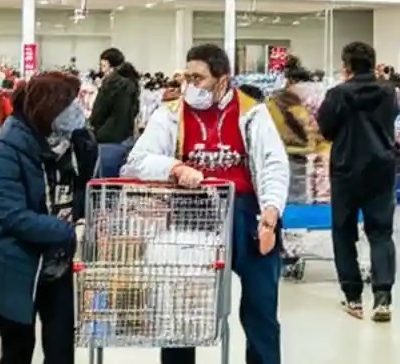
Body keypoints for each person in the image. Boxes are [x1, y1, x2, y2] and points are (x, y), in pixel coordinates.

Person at [123, 43, 289, 364]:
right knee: (181, 310)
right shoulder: (171, 114)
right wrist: (174, 168)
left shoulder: (251, 111)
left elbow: (273, 164)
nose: (191, 85)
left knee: (262, 310)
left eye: (198, 78)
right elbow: (136, 161)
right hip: (191, 215)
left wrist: (270, 213)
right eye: (187, 77)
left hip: (245, 214)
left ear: (222, 79)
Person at [0, 73, 80, 364]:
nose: (77, 112)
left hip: (57, 264)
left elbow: (81, 190)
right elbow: (12, 215)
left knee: (61, 349)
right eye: (70, 105)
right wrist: (68, 230)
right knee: (17, 350)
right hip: (15, 264)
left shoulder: (63, 143)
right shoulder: (6, 150)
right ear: (50, 107)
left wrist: (88, 154)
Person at [317, 42, 400, 322]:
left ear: (347, 65)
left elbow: (326, 130)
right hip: (382, 168)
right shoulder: (390, 92)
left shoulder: (337, 94)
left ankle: (353, 297)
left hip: (346, 169)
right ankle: (383, 298)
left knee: (343, 232)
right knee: (380, 232)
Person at [90, 48, 140, 177]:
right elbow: (135, 110)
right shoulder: (132, 84)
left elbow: (98, 111)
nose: (102, 70)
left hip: (109, 138)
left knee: (105, 184)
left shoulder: (111, 84)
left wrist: (96, 128)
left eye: (103, 66)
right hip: (127, 137)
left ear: (112, 66)